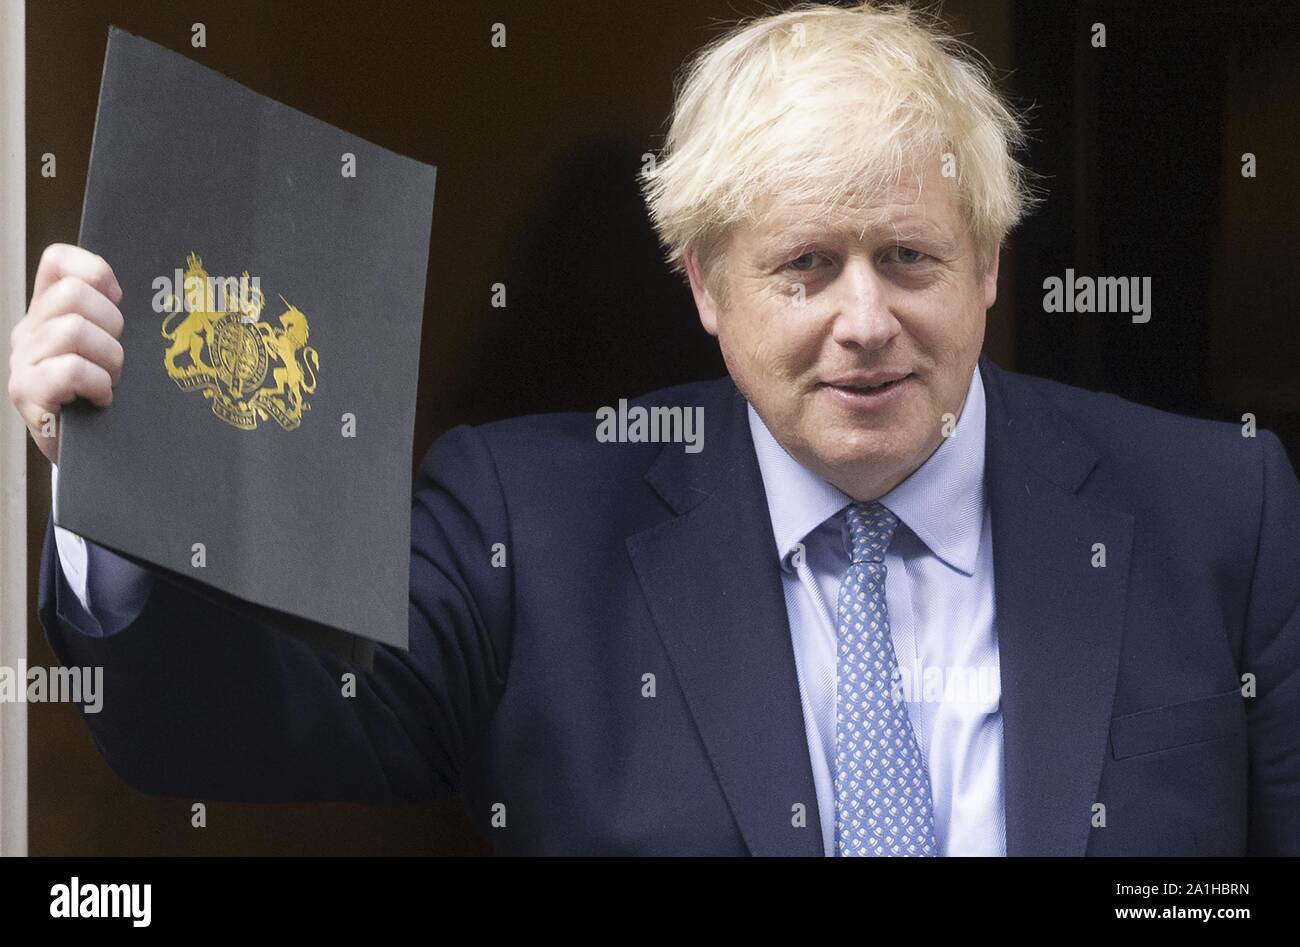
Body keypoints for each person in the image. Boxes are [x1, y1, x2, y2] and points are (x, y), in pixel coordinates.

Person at [10, 2, 1299, 856]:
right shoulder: (530, 519)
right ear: (703, 286)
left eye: (911, 256)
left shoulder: (1217, 507)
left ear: (990, 268)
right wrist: (118, 484)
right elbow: (225, 731)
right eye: (805, 265)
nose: (866, 321)